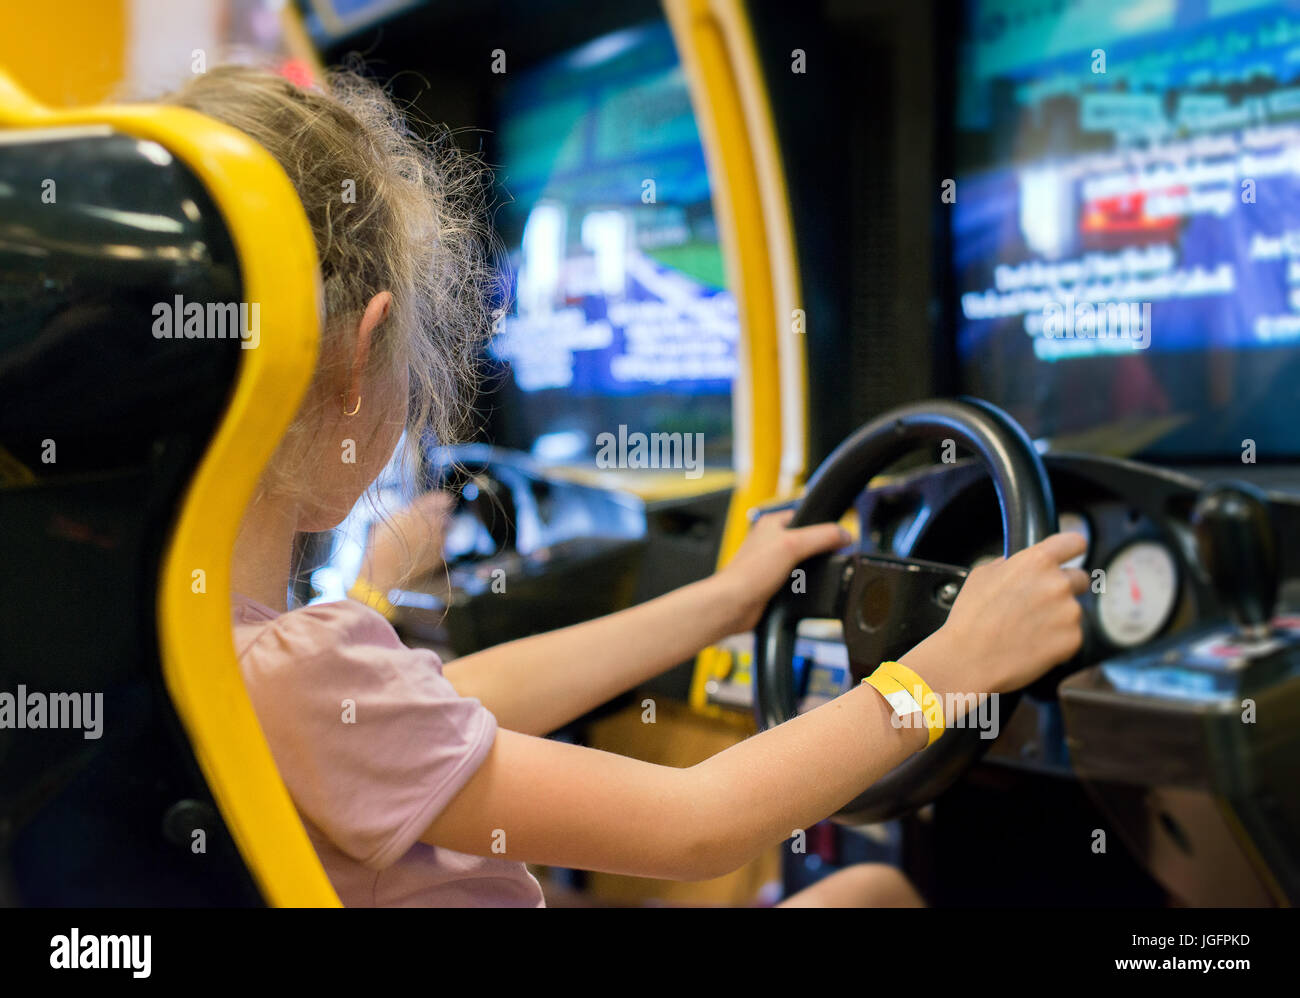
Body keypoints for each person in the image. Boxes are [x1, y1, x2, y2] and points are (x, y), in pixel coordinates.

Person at [173, 64, 1088, 907]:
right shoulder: (298, 674)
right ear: (356, 358)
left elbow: (447, 705)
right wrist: (951, 669)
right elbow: (698, 825)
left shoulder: (202, 643)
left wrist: (721, 602)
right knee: (872, 896)